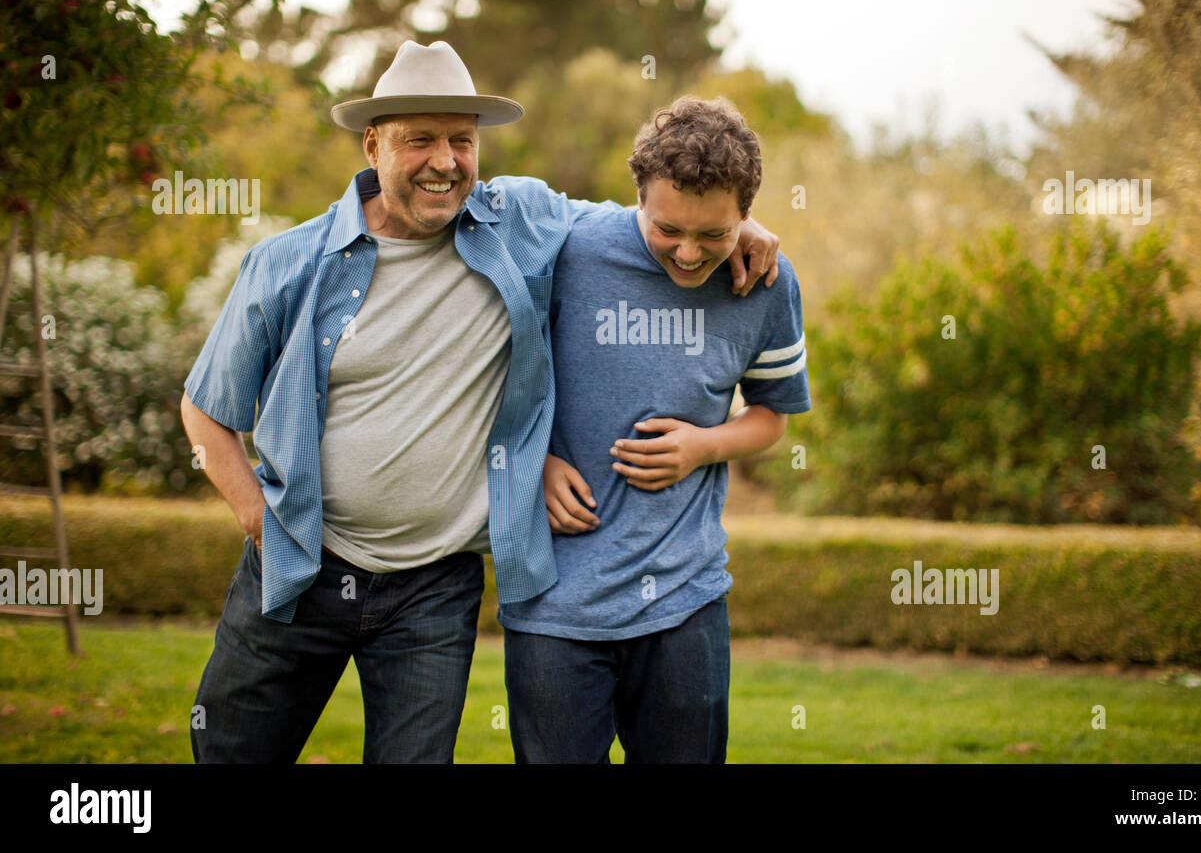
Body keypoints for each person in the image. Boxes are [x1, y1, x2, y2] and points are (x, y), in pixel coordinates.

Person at [180, 41, 781, 763]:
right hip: (300, 564)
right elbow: (207, 411)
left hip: (433, 590)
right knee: (231, 753)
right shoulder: (286, 263)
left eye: (461, 140)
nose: (445, 160)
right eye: (420, 140)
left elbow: (645, 222)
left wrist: (738, 224)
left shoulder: (520, 220)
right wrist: (260, 520)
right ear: (373, 145)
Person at [498, 96, 811, 763]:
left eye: (714, 234)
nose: (691, 253)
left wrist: (704, 446)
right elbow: (484, 371)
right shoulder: (567, 248)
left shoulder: (766, 285)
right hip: (555, 605)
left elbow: (771, 418)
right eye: (669, 229)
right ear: (636, 194)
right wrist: (539, 459)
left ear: (749, 215)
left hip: (684, 604)